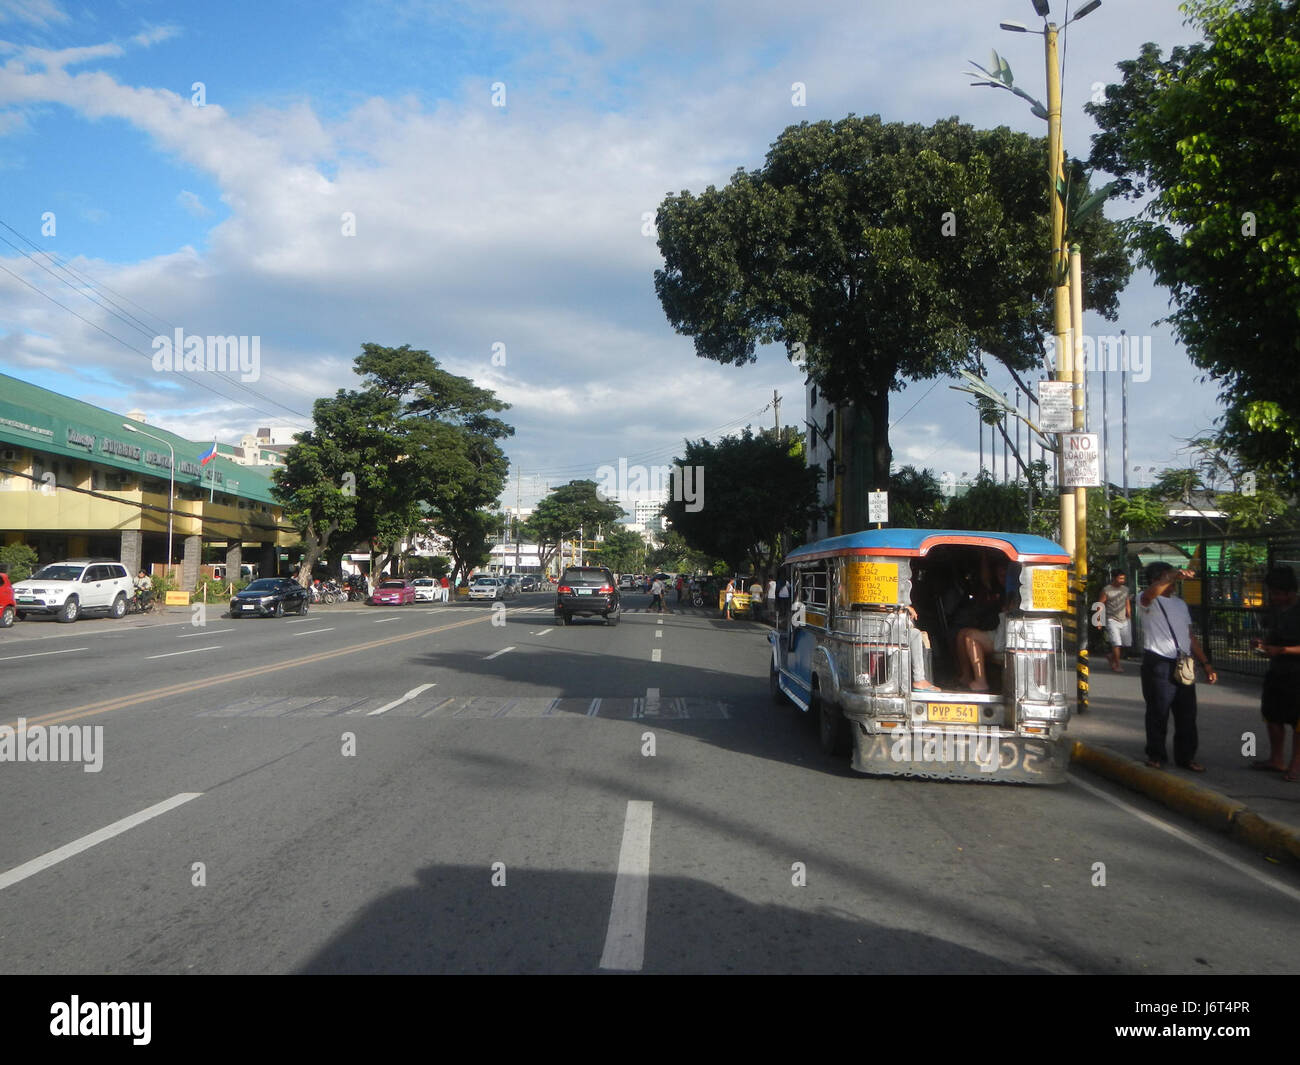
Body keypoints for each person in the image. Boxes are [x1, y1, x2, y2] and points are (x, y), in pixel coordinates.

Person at [1138, 562, 1217, 771]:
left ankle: (1186, 757)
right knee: (1158, 711)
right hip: (1159, 661)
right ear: (1158, 578)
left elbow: (1190, 636)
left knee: (1187, 712)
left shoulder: (1180, 604)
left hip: (1183, 662)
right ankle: (1156, 755)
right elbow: (1149, 595)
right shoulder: (1147, 599)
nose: (1174, 581)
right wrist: (1173, 574)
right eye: (1168, 577)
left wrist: (1206, 664)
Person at [1252, 566, 1300, 781]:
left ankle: (1296, 765)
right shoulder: (1274, 610)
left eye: (1279, 593)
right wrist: (1263, 644)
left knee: (1298, 721)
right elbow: (1272, 636)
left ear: (1291, 592)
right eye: (1272, 593)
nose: (1274, 597)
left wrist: (1283, 650)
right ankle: (1276, 759)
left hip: (1297, 672)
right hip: (1277, 671)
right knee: (1272, 714)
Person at [953, 555, 1010, 692]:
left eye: (1005, 572)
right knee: (962, 633)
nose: (1002, 574)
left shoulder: (1015, 592)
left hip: (1006, 637)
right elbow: (985, 580)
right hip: (999, 632)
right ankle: (966, 676)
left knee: (971, 637)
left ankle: (981, 681)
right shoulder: (999, 589)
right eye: (999, 571)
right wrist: (984, 555)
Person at [1095, 569, 1133, 673]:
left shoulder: (1125, 589)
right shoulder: (1106, 590)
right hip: (1111, 619)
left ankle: (1111, 656)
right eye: (1120, 578)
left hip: (1124, 620)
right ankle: (1117, 664)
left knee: (1126, 644)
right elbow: (1100, 605)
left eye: (1123, 578)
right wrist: (1098, 621)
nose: (1122, 580)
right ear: (1114, 578)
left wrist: (1129, 614)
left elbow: (1127, 602)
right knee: (1116, 643)